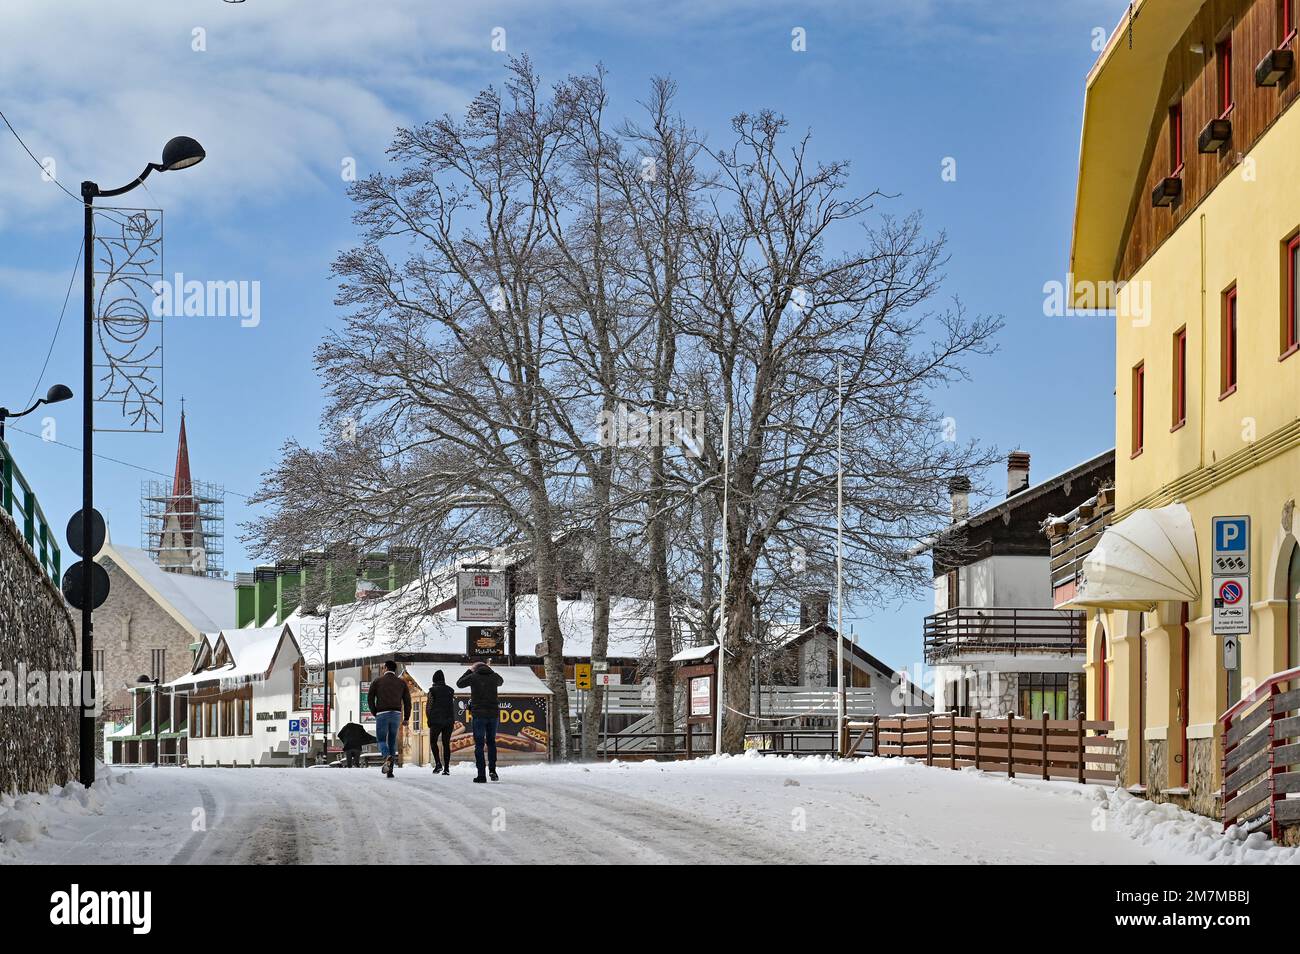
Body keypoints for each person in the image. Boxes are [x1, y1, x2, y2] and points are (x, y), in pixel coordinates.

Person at [457, 659, 504, 782]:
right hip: (493, 714)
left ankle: (481, 775)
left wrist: (469, 670)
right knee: (491, 742)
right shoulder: (494, 677)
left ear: (474, 669)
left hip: (478, 715)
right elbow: (501, 681)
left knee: (479, 745)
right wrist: (490, 670)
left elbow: (459, 683)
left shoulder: (473, 676)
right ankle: (493, 771)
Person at [367, 661, 411, 778]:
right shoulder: (401, 683)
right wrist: (406, 717)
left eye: (383, 667)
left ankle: (387, 756)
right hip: (396, 714)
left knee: (381, 740)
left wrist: (375, 712)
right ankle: (390, 771)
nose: (382, 669)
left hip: (382, 714)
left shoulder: (377, 681)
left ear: (386, 668)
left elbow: (370, 698)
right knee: (392, 741)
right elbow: (407, 701)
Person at [425, 669, 455, 776]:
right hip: (449, 720)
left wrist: (429, 719)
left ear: (434, 680)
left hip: (436, 721)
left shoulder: (432, 691)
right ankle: (446, 768)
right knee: (446, 743)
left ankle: (438, 764)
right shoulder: (450, 690)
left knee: (433, 742)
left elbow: (429, 706)